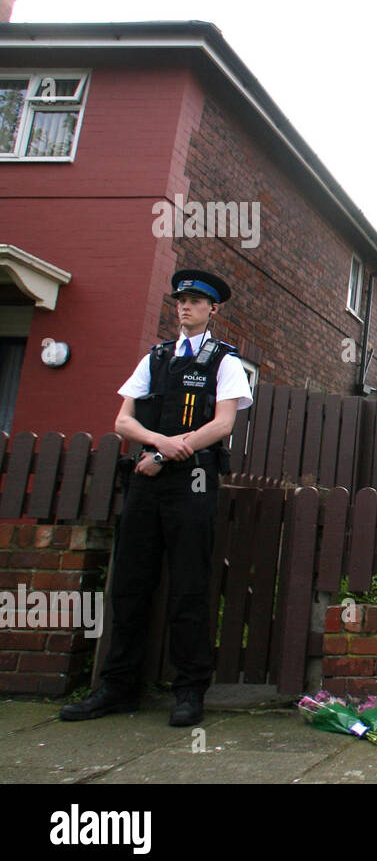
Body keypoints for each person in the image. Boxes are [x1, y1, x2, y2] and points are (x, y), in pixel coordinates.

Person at [59, 270, 253, 727]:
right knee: (129, 584)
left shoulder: (223, 361)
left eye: (194, 301)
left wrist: (164, 453)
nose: (184, 307)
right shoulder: (156, 358)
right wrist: (157, 443)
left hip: (193, 482)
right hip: (146, 480)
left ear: (212, 309)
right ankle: (117, 686)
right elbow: (122, 421)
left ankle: (189, 690)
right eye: (180, 300)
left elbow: (222, 425)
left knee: (189, 585)